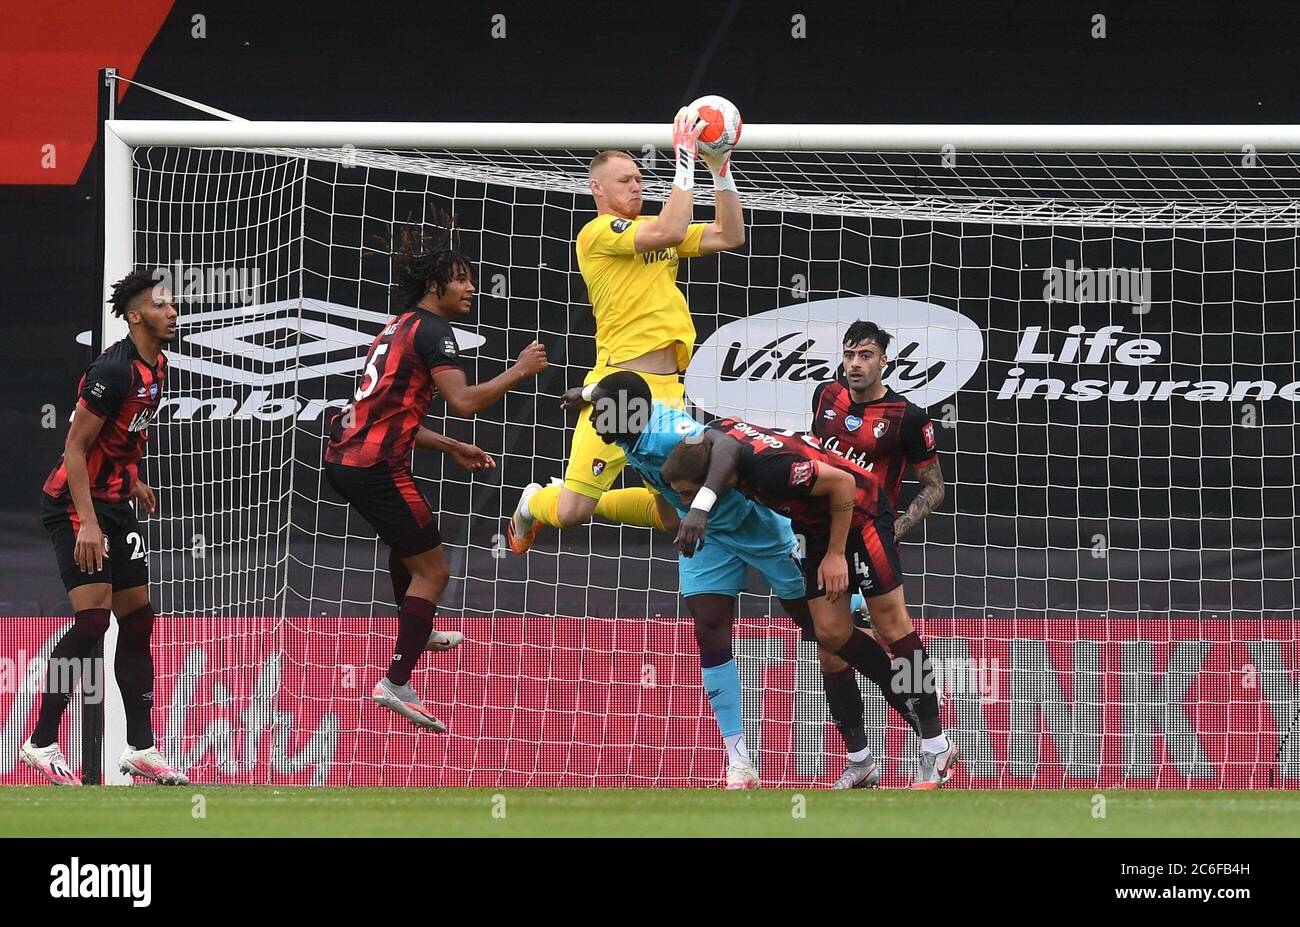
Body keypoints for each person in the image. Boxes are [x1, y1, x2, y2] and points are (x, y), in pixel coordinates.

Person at [324, 223, 547, 732]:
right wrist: (518, 370)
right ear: (435, 287)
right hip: (373, 467)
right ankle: (396, 682)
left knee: (411, 544)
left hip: (348, 459)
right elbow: (464, 403)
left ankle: (415, 626)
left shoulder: (398, 325)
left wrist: (448, 446)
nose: (472, 288)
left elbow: (386, 412)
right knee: (435, 572)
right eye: (462, 279)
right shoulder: (434, 330)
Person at [663, 418, 960, 789]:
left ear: (711, 477)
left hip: (860, 514)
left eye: (691, 493)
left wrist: (836, 555)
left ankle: (935, 744)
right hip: (816, 527)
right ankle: (871, 753)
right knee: (831, 635)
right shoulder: (718, 441)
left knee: (892, 625)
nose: (687, 502)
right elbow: (717, 433)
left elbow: (843, 484)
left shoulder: (770, 472)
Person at [507, 107, 744, 552]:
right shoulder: (597, 234)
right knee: (572, 513)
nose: (636, 184)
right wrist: (685, 158)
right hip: (621, 390)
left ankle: (585, 497)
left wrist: (719, 168)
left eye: (639, 178)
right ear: (597, 187)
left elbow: (730, 235)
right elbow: (672, 228)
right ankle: (535, 502)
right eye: (624, 180)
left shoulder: (654, 231)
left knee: (669, 511)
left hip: (669, 390)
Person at [22, 269, 187, 786]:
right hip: (76, 505)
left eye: (174, 305)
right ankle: (41, 742)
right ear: (136, 315)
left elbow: (122, 435)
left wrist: (132, 477)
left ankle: (140, 748)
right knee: (94, 623)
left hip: (114, 502)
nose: (173, 312)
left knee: (138, 620)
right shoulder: (111, 370)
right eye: (162, 306)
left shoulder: (157, 364)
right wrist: (88, 524)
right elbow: (74, 449)